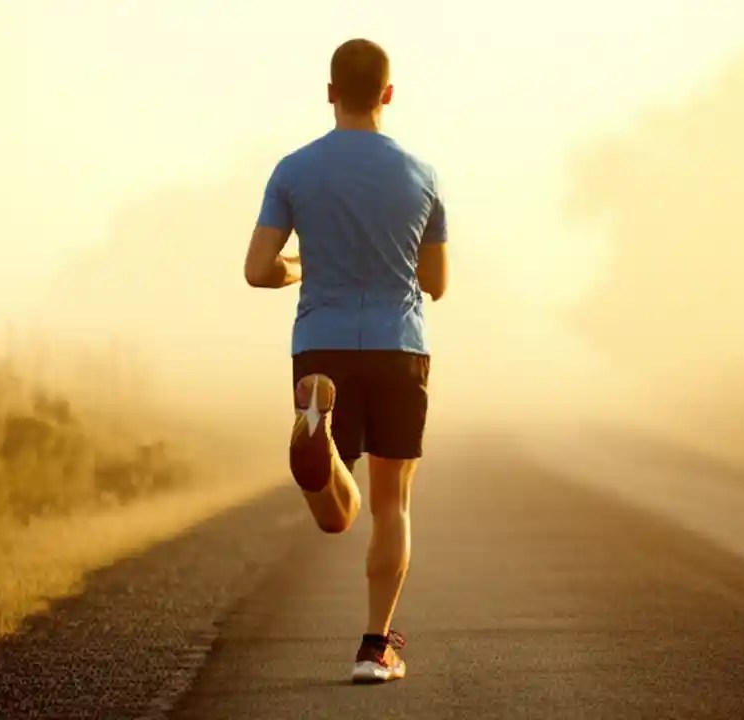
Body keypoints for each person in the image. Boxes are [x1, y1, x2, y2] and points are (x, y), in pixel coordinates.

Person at [243, 37, 449, 685]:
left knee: (335, 515)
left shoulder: (294, 170)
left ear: (331, 93)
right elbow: (437, 283)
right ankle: (373, 648)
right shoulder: (422, 175)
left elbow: (256, 271)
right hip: (398, 345)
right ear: (387, 94)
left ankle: (321, 437)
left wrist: (300, 266)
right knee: (391, 505)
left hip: (321, 347)